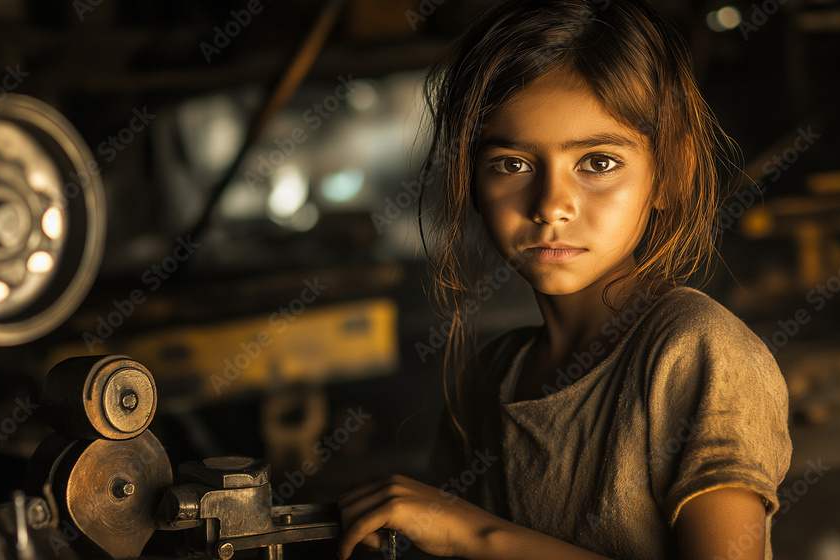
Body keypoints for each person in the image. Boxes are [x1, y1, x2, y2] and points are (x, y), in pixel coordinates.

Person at [337, 0, 793, 558]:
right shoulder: (490, 376)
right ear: (469, 182)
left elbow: (465, 536)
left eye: (598, 162)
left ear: (670, 176)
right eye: (512, 164)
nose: (551, 205)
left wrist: (476, 535)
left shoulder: (695, 352)